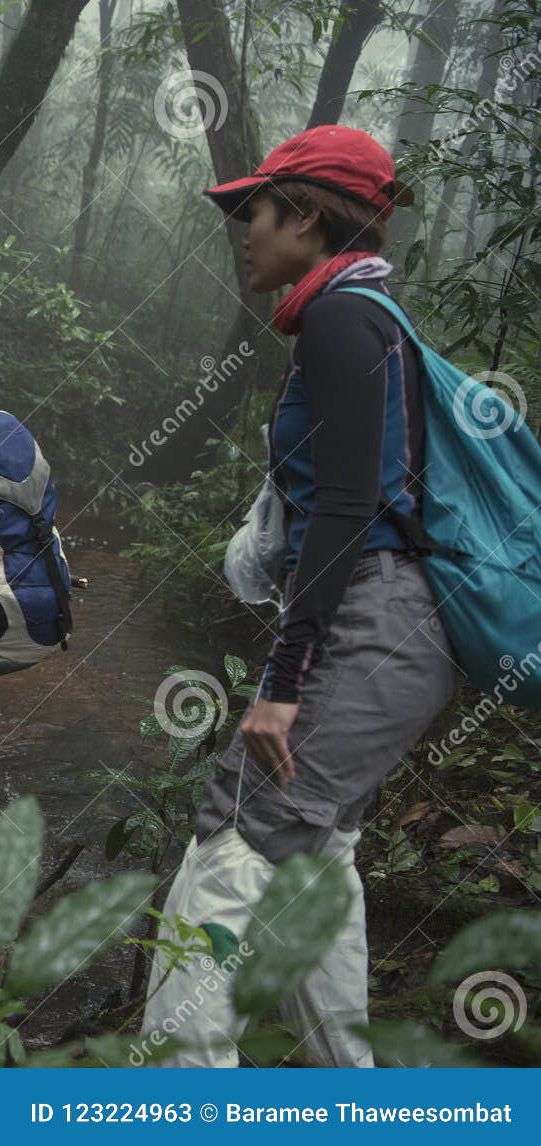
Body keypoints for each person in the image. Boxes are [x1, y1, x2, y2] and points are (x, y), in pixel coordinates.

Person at [141, 125, 457, 1066]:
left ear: (308, 219)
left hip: (375, 619)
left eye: (257, 211)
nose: (244, 230)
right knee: (316, 858)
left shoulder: (341, 317)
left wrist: (282, 681)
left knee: (229, 850)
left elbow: (349, 509)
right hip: (401, 632)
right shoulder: (365, 314)